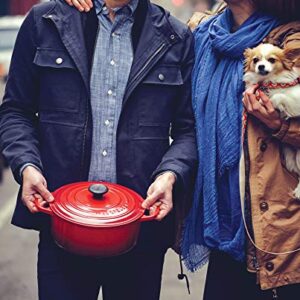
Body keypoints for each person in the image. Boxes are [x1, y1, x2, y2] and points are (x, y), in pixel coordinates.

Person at [0, 0, 197, 299]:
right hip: (63, 228)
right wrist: (27, 165)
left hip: (139, 231)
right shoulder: (47, 20)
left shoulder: (175, 36)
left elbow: (189, 129)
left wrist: (170, 175)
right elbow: (16, 110)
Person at [182, 0, 300, 299]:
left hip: (277, 226)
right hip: (223, 219)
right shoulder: (204, 35)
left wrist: (280, 125)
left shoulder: (292, 42)